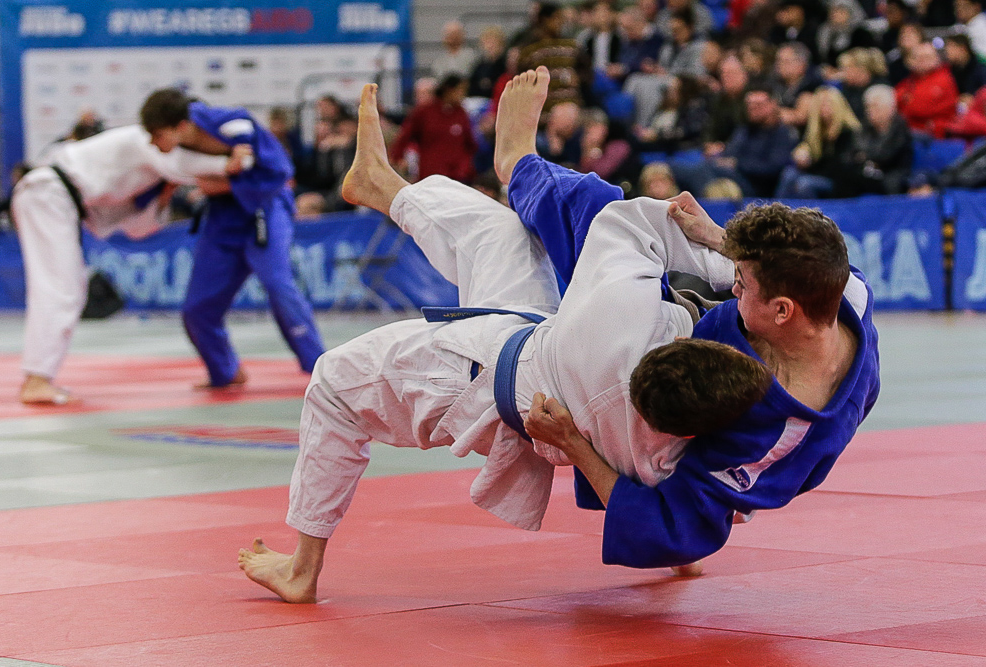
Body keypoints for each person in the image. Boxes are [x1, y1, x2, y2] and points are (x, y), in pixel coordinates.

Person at [238, 71, 774, 602]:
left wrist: (728, 254)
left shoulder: (631, 313)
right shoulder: (715, 444)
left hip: (485, 375)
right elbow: (672, 515)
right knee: (503, 235)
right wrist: (674, 539)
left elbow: (625, 218)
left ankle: (301, 569)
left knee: (333, 381)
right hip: (539, 345)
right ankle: (384, 187)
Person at [493, 70, 879, 574]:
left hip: (670, 417)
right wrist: (720, 239)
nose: (734, 284)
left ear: (783, 310)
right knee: (633, 224)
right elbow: (804, 257)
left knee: (598, 222)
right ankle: (524, 168)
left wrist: (574, 444)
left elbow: (674, 531)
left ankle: (515, 163)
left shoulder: (768, 438)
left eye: (744, 282)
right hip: (712, 349)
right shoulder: (847, 291)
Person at [11, 124, 241, 404]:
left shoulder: (156, 173)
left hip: (56, 201)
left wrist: (165, 194)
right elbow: (177, 165)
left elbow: (138, 229)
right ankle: (36, 380)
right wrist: (226, 163)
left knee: (67, 287)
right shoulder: (144, 137)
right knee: (61, 288)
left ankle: (38, 377)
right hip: (48, 193)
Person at [140, 89, 326, 388]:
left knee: (279, 285)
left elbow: (278, 173)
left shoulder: (228, 123)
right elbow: (204, 184)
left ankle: (320, 366)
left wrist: (223, 178)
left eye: (157, 134)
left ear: (182, 128)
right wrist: (224, 179)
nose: (152, 142)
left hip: (265, 207)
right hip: (223, 218)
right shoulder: (176, 156)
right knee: (197, 308)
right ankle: (224, 371)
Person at [775, 86, 862, 198]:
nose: (824, 108)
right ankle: (779, 212)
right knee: (789, 174)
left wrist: (811, 164)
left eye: (828, 104)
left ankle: (811, 214)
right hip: (818, 174)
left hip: (839, 181)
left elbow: (840, 167)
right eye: (821, 104)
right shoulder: (815, 132)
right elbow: (806, 150)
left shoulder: (848, 132)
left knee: (804, 183)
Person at [389, 75, 477, 183]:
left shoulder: (461, 114)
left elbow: (470, 144)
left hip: (456, 175)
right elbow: (405, 135)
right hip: (430, 173)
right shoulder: (424, 112)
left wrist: (465, 167)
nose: (463, 95)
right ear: (449, 90)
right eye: (461, 90)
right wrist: (397, 156)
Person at [895, 41, 959, 137]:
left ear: (936, 58)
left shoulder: (944, 80)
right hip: (909, 130)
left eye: (927, 57)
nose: (922, 61)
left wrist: (908, 103)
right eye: (919, 58)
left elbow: (921, 109)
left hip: (933, 134)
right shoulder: (908, 82)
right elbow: (894, 101)